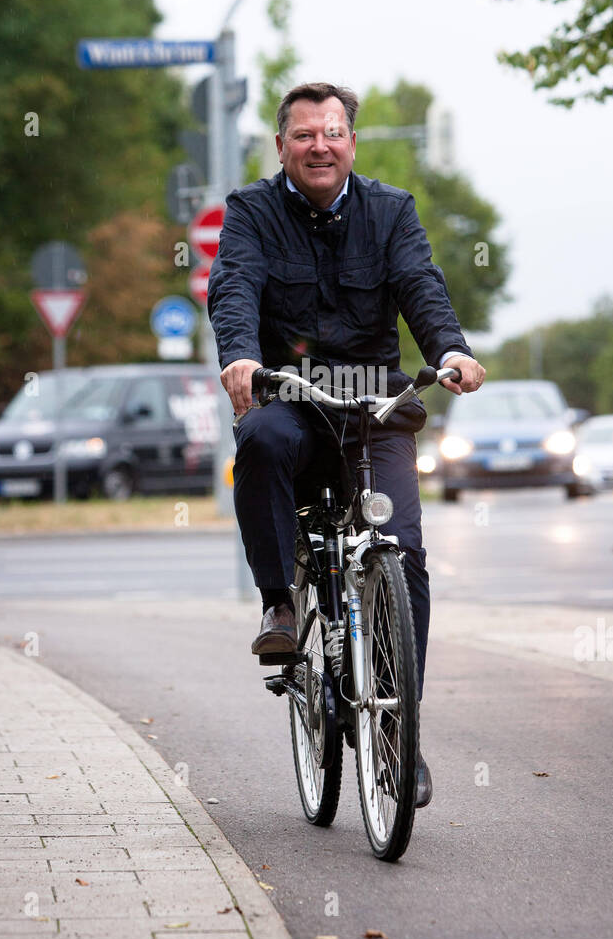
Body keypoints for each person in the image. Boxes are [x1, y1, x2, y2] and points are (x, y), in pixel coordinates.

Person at [208, 83, 485, 806]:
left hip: (373, 412)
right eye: (304, 135)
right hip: (294, 403)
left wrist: (451, 351)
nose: (320, 145)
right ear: (282, 147)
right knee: (260, 438)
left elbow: (420, 285)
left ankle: (399, 737)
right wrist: (240, 354)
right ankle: (278, 605)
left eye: (333, 133)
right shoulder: (252, 213)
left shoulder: (390, 210)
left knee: (408, 553)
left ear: (352, 144)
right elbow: (233, 286)